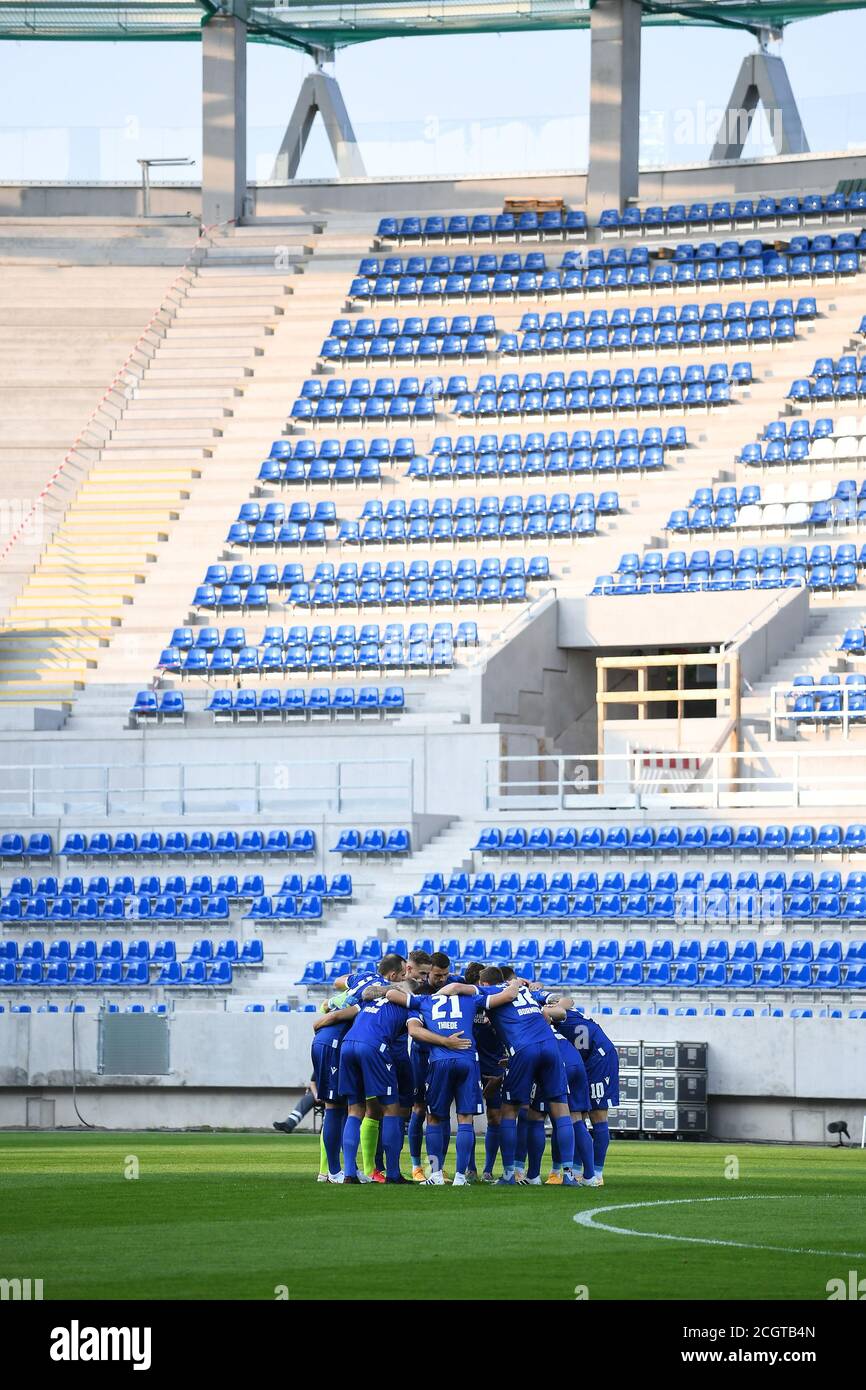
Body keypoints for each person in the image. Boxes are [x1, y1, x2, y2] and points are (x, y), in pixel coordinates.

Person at [337, 983, 466, 1184]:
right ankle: (394, 1174)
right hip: (374, 1047)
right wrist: (446, 1041)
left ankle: (349, 1173)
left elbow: (364, 994)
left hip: (347, 1045)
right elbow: (415, 1031)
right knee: (391, 1110)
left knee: (354, 1110)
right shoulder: (411, 1006)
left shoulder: (371, 999)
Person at [474, 966, 579, 1186]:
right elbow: (563, 1008)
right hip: (550, 1046)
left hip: (522, 1049)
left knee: (510, 1111)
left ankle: (510, 1174)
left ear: (484, 983)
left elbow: (461, 991)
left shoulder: (487, 991)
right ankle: (568, 1174)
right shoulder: (528, 991)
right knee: (561, 1111)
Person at [405, 982, 484, 1186]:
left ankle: (436, 1174)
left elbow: (414, 1030)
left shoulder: (422, 1003)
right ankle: (460, 1177)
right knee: (465, 1118)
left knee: (432, 1118)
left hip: (438, 1061)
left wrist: (444, 1041)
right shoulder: (467, 1000)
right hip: (467, 1060)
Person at [550, 996, 620, 1187]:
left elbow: (568, 1001)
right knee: (576, 1115)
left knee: (597, 1115)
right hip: (582, 1061)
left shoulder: (550, 1014)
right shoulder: (558, 1010)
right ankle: (579, 1170)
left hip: (599, 1058)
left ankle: (596, 1172)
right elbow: (569, 1000)